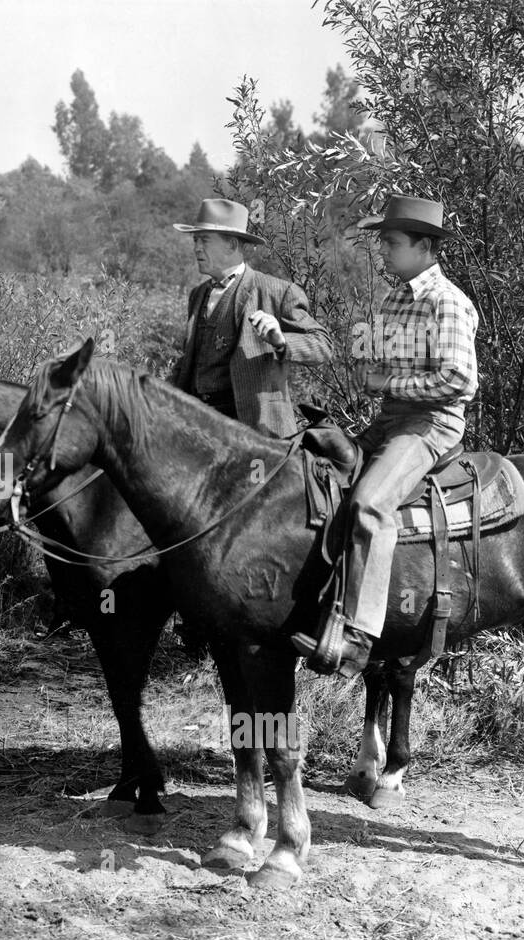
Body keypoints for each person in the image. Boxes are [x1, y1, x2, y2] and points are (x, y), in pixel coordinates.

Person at [333, 194, 478, 674]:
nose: (383, 251)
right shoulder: (395, 297)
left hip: (431, 424)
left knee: (369, 503)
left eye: (391, 242)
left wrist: (388, 382)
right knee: (320, 475)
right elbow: (380, 362)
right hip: (392, 420)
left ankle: (360, 634)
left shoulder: (448, 302)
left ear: (423, 245)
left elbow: (460, 380)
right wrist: (370, 365)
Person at [170, 198, 333, 437]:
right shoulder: (198, 295)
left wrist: (281, 340)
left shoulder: (277, 292)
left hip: (256, 432)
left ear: (231, 245)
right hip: (199, 427)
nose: (196, 248)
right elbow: (190, 362)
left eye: (204, 240)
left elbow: (323, 346)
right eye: (195, 240)